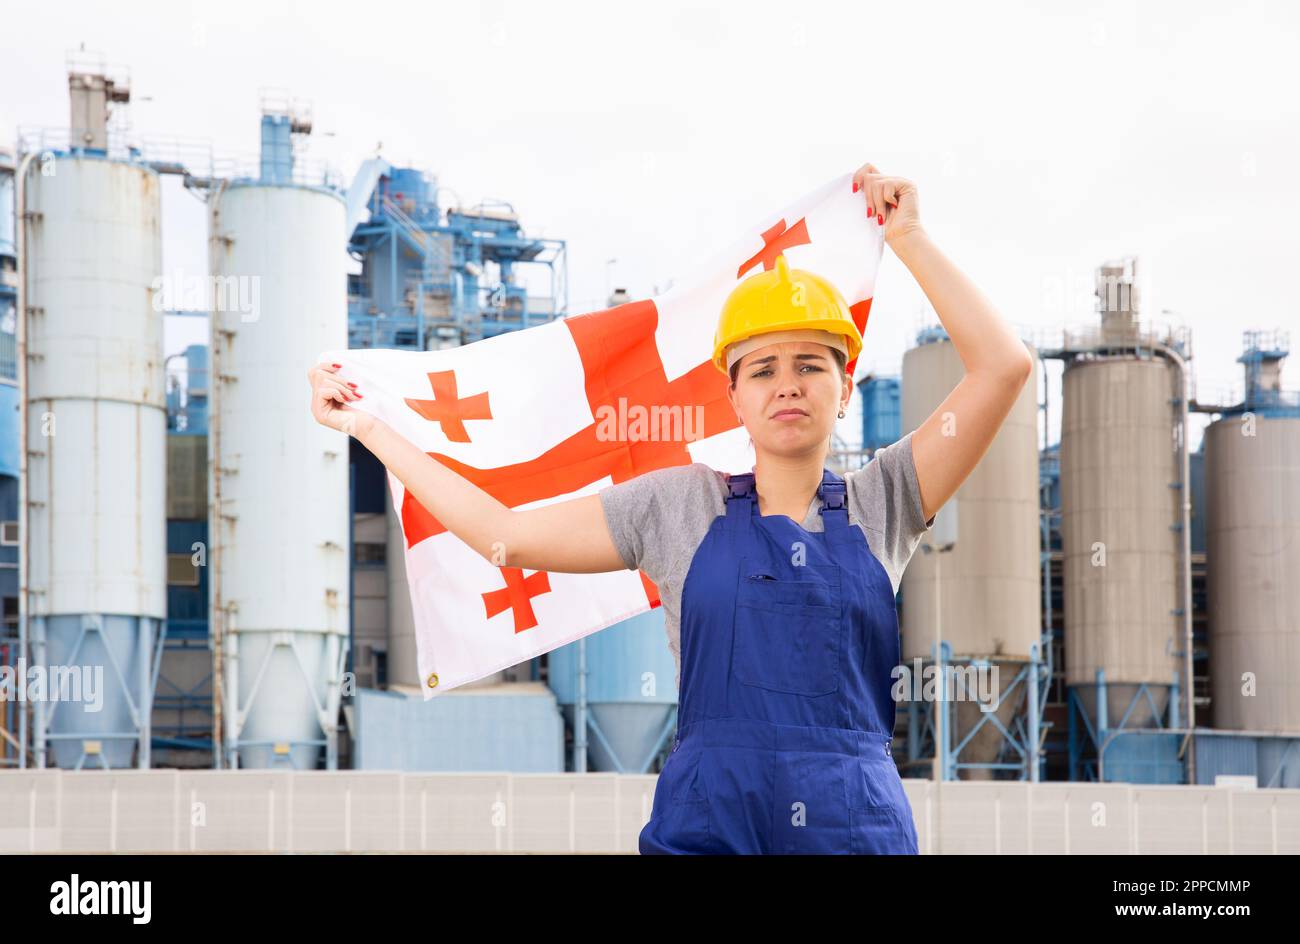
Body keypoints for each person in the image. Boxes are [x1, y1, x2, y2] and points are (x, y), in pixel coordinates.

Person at [308, 162, 1034, 854]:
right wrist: (370, 428)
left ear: (845, 389)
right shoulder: (678, 506)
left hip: (853, 828)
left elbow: (1004, 367)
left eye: (811, 364)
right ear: (734, 397)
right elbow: (506, 537)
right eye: (763, 369)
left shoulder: (887, 499)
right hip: (709, 825)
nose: (787, 384)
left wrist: (910, 237)